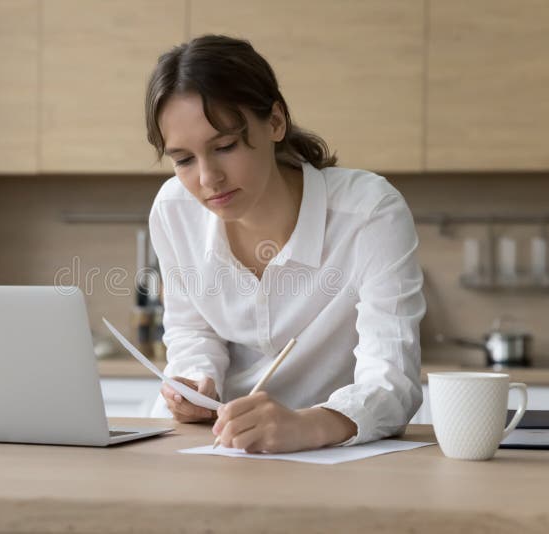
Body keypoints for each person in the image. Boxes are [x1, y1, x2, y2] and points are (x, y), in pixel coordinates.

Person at [144, 34, 425, 454]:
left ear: (275, 122)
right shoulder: (173, 209)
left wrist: (307, 426)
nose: (206, 179)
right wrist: (196, 383)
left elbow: (391, 380)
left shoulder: (369, 212)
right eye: (183, 159)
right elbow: (191, 331)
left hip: (329, 452)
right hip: (209, 445)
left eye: (224, 146)